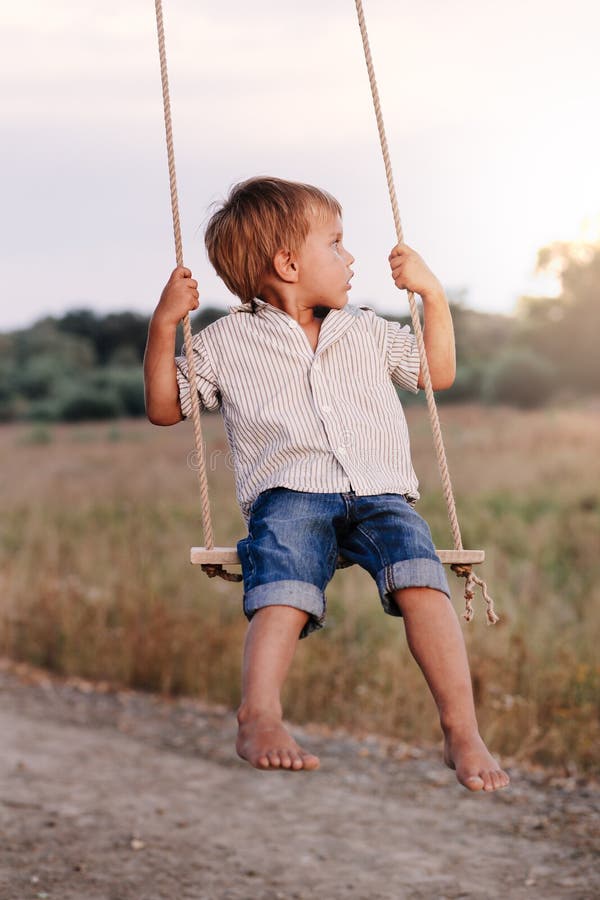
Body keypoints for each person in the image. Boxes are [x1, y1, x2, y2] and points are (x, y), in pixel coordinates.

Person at [144, 176, 509, 791]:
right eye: (336, 244)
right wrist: (163, 325)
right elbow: (163, 405)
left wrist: (432, 295)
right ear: (288, 263)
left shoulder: (365, 329)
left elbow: (435, 371)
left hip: (381, 493)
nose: (351, 258)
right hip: (290, 493)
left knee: (424, 580)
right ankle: (259, 716)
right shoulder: (228, 342)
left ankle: (462, 729)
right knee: (283, 582)